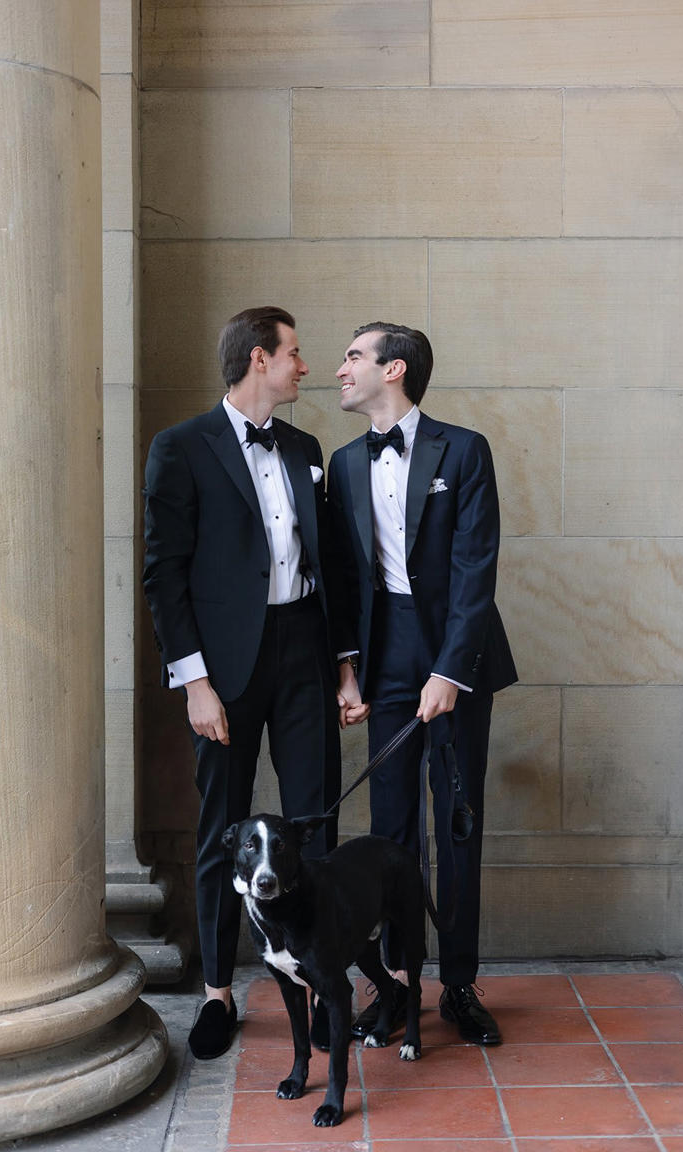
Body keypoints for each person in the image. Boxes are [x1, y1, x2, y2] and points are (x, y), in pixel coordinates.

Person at [143, 306, 340, 1059]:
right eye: (295, 352)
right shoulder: (180, 448)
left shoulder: (305, 446)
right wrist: (194, 682)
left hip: (303, 653)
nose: (304, 366)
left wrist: (341, 666)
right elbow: (164, 576)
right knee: (222, 828)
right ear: (260, 359)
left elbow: (326, 565)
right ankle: (219, 993)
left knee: (313, 824)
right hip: (222, 668)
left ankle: (323, 987)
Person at [327, 322, 517, 1046]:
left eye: (353, 357)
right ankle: (396, 986)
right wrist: (348, 669)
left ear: (393, 368)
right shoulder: (345, 463)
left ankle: (459, 985)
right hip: (385, 660)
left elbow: (477, 568)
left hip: (456, 659)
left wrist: (450, 671)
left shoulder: (463, 449)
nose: (341, 369)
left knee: (457, 822)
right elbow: (346, 580)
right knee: (393, 829)